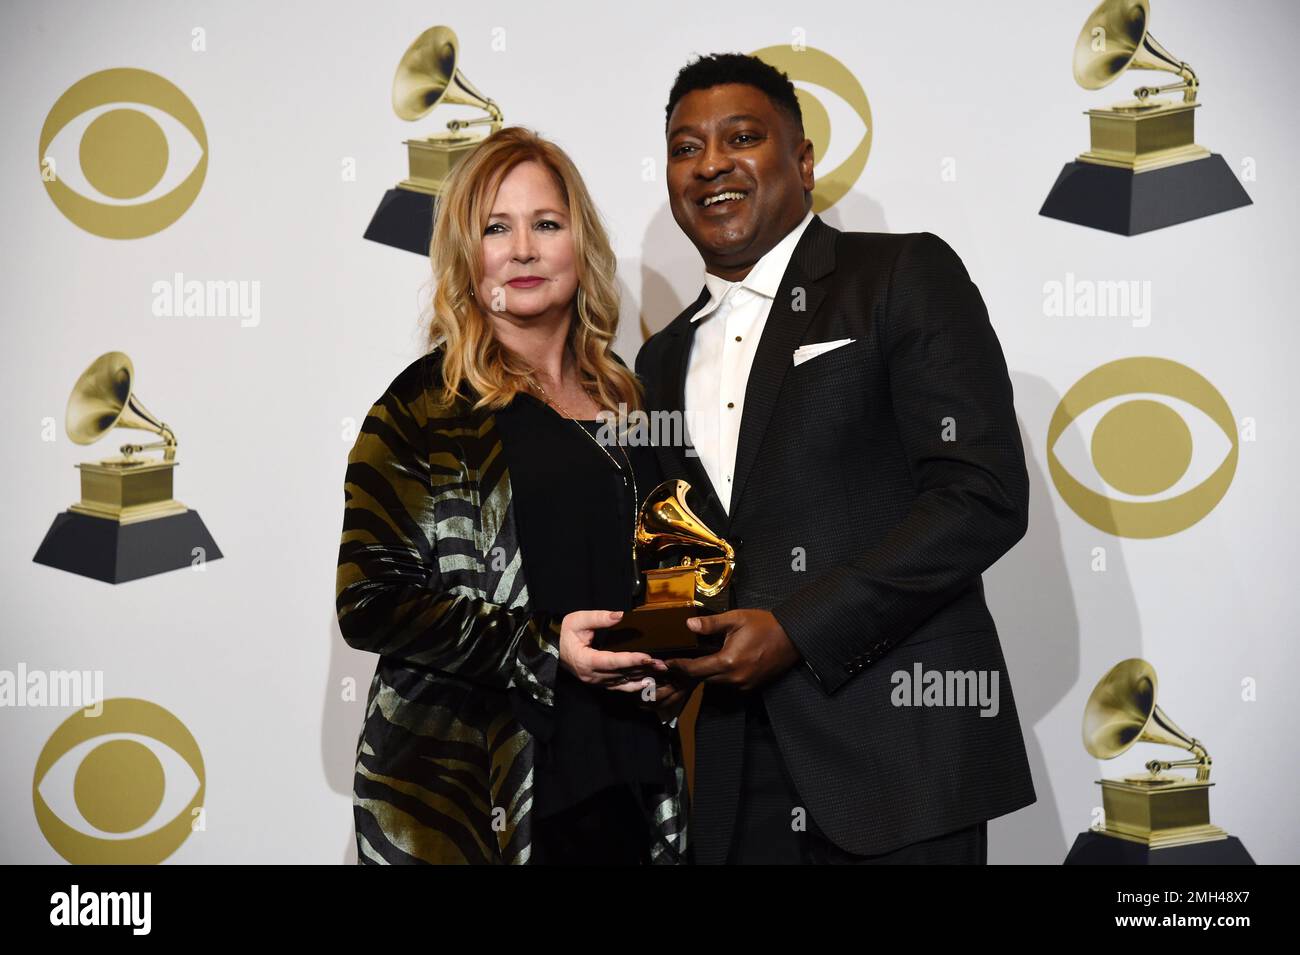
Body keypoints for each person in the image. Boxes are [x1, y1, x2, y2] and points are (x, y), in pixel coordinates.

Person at [637, 54, 1036, 864]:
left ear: (804, 161)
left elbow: (982, 493)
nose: (710, 164)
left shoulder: (900, 274)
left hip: (900, 762)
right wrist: (669, 646)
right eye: (686, 148)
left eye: (741, 138)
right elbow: (688, 544)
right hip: (733, 770)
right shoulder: (659, 358)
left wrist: (797, 628)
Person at [336, 126, 687, 864]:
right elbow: (369, 601)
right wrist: (544, 646)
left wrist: (675, 660)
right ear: (467, 257)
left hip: (628, 784)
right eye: (497, 228)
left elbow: (669, 564)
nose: (523, 249)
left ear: (580, 245)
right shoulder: (421, 408)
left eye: (546, 224)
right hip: (480, 796)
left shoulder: (630, 400)